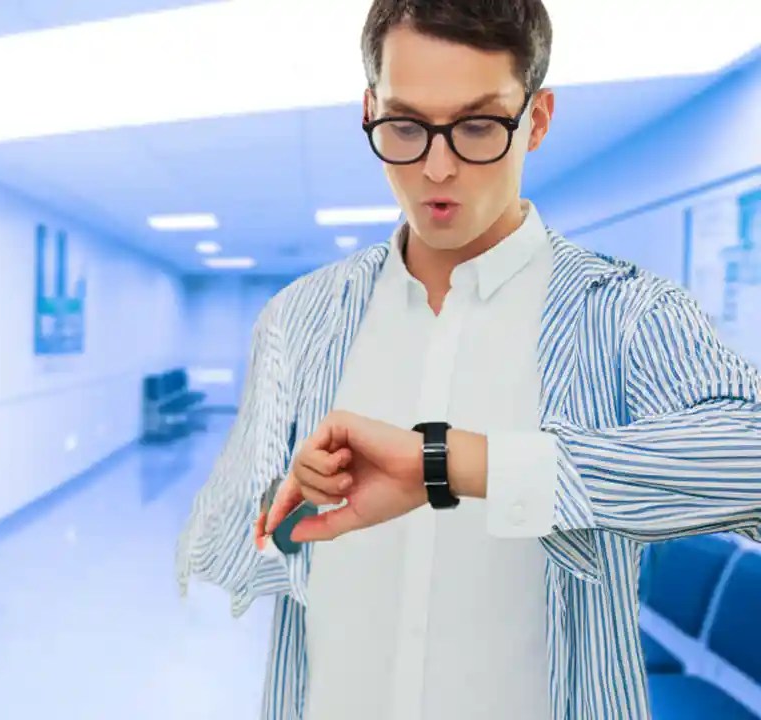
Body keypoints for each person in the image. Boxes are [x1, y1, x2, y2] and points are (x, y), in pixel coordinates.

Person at [173, 2, 761, 720]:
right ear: (369, 112)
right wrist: (291, 508)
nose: (437, 167)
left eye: (478, 125)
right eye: (405, 126)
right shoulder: (301, 317)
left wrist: (453, 464)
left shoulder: (627, 314)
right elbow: (254, 546)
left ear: (536, 120)